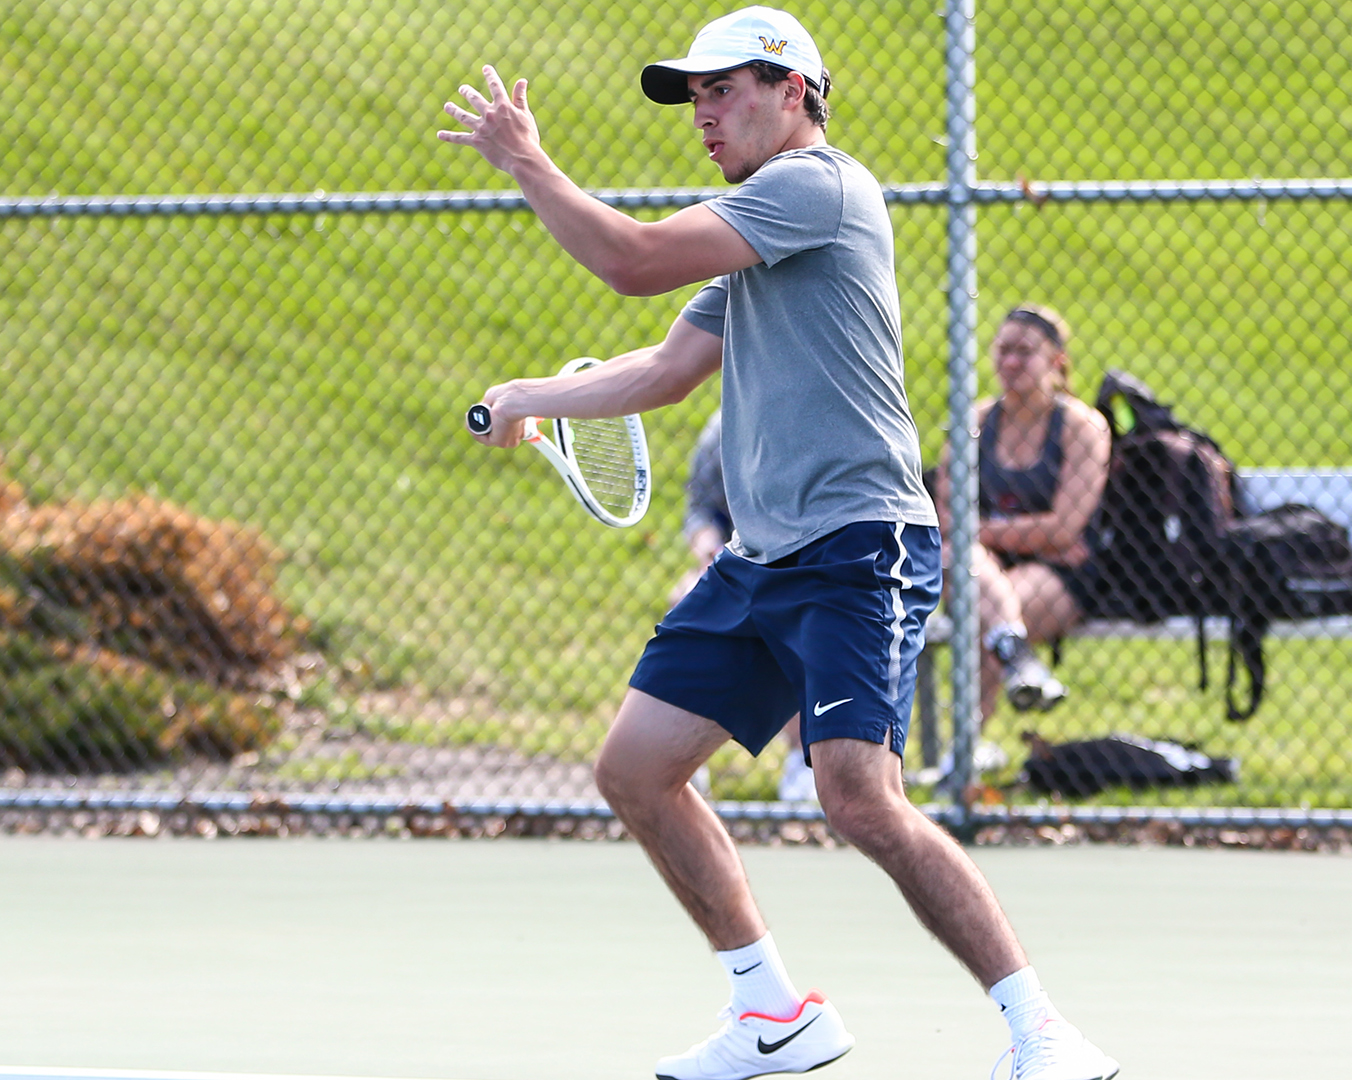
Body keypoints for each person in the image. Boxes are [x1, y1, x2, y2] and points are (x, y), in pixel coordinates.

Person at [439, 8, 1118, 1079]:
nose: (703, 114)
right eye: (694, 97)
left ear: (792, 89)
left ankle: (1043, 1030)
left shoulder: (817, 188)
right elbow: (662, 371)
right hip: (762, 559)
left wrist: (528, 164)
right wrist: (535, 394)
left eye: (724, 90)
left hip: (861, 548)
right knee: (636, 769)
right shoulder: (756, 233)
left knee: (856, 795)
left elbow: (630, 260)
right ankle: (770, 1011)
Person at [933, 307, 1112, 732]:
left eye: (1025, 352)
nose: (1010, 362)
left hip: (1060, 574)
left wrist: (982, 532)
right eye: (1003, 350)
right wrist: (1033, 534)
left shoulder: (1081, 427)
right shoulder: (973, 423)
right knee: (971, 569)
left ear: (1057, 362)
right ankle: (1015, 660)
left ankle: (965, 752)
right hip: (979, 565)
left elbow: (1067, 528)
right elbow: (943, 516)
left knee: (983, 606)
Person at [669, 364, 814, 805]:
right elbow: (699, 511)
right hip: (735, 563)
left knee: (794, 618)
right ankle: (683, 765)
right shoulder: (719, 433)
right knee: (683, 601)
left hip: (803, 569)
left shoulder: (816, 431)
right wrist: (710, 549)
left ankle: (803, 762)